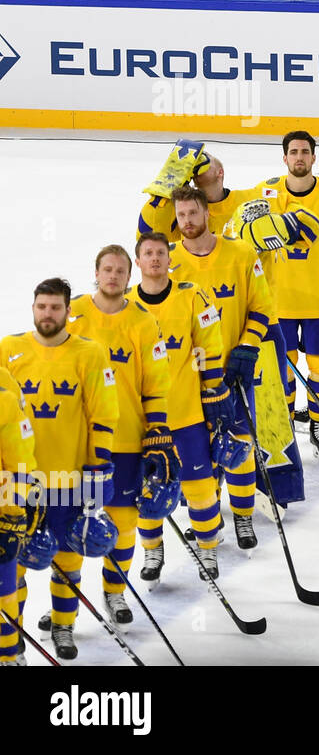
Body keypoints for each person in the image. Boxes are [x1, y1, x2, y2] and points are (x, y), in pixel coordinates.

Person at [0, 278, 117, 660]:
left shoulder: (91, 353)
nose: (47, 314)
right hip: (19, 483)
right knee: (13, 566)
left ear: (68, 311)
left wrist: (98, 469)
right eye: (41, 307)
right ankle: (11, 641)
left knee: (67, 560)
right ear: (32, 308)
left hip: (69, 477)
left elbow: (103, 413)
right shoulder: (9, 350)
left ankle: (64, 627)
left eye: (54, 307)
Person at [65, 247, 174, 628]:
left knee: (124, 524)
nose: (113, 276)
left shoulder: (143, 323)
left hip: (127, 440)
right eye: (107, 269)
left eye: (121, 270)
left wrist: (158, 430)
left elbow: (156, 383)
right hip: (77, 442)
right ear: (96, 273)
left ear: (130, 276)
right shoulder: (73, 313)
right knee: (70, 525)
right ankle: (66, 608)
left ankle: (115, 592)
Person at [246, 132, 319, 461]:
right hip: (276, 304)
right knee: (282, 371)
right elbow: (239, 236)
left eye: (305, 152)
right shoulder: (264, 194)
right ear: (284, 159)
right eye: (293, 152)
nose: (299, 157)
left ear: (314, 158)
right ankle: (282, 425)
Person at [168, 186, 268, 551]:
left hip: (234, 369)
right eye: (181, 216)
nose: (187, 222)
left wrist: (247, 346)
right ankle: (207, 515)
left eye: (193, 213)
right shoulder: (169, 262)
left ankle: (242, 515)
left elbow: (261, 307)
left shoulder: (242, 253)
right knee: (198, 451)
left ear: (208, 212)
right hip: (188, 378)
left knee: (239, 444)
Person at [128, 233, 230, 584]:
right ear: (137, 262)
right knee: (145, 491)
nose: (155, 259)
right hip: (142, 423)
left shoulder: (193, 296)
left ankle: (208, 549)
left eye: (160, 253)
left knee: (201, 487)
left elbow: (210, 347)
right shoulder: (124, 306)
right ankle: (152, 551)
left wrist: (214, 393)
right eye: (147, 254)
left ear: (170, 260)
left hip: (187, 416)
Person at [0, 364, 38, 666]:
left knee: (4, 595)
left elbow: (20, 463)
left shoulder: (4, 388)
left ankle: (9, 657)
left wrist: (13, 513)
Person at [137, 146, 241, 242]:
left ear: (220, 172)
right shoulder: (181, 210)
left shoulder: (245, 198)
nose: (196, 165)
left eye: (205, 158)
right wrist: (167, 189)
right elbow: (147, 235)